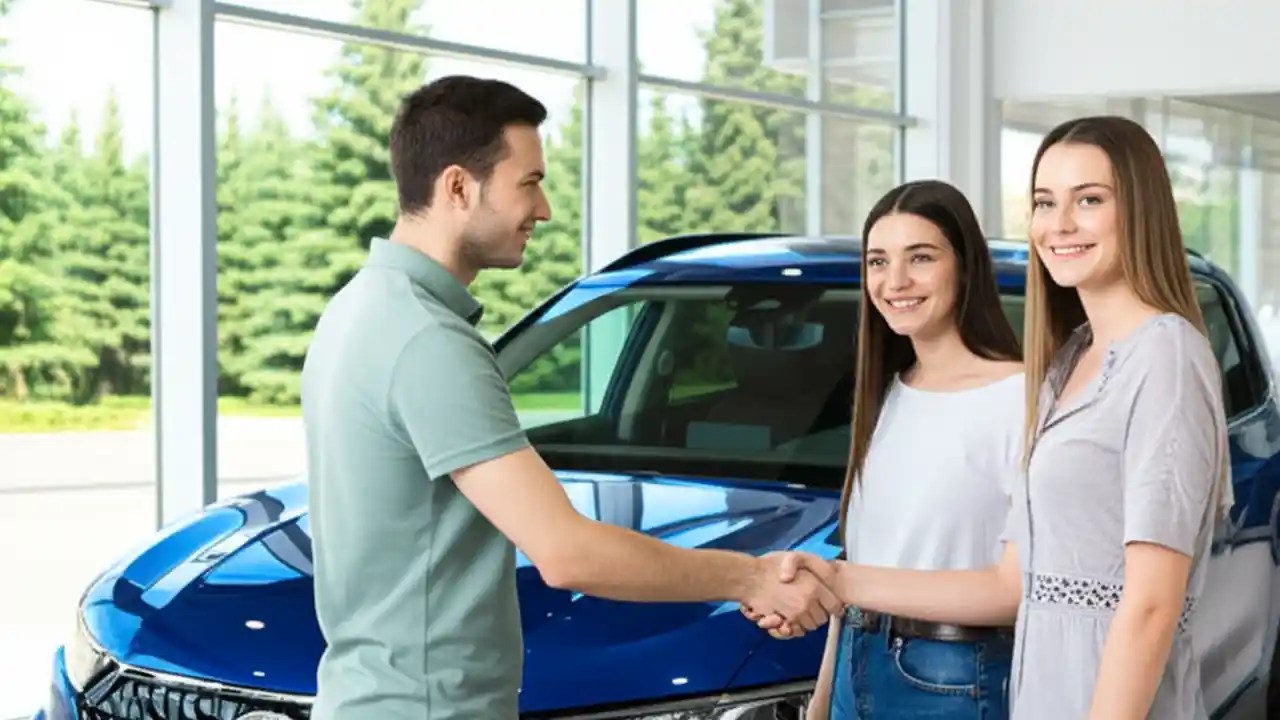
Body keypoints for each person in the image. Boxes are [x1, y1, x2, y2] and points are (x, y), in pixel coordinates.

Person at [299, 75, 841, 720]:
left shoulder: (357, 308)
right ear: (457, 188)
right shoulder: (427, 340)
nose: (545, 208)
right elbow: (566, 552)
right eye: (528, 182)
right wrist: (752, 577)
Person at [752, 115, 1232, 720]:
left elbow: (1151, 604)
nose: (1059, 224)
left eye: (1089, 199)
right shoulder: (1066, 367)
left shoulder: (1164, 352)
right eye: (1043, 201)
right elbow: (1018, 578)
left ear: (1141, 210)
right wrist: (835, 582)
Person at [745, 179, 1024, 719]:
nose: (895, 281)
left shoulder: (1020, 398)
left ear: (965, 267)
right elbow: (862, 561)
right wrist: (823, 702)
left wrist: (835, 582)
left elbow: (1017, 591)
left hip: (954, 681)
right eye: (877, 261)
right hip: (857, 658)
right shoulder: (889, 393)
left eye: (920, 257)